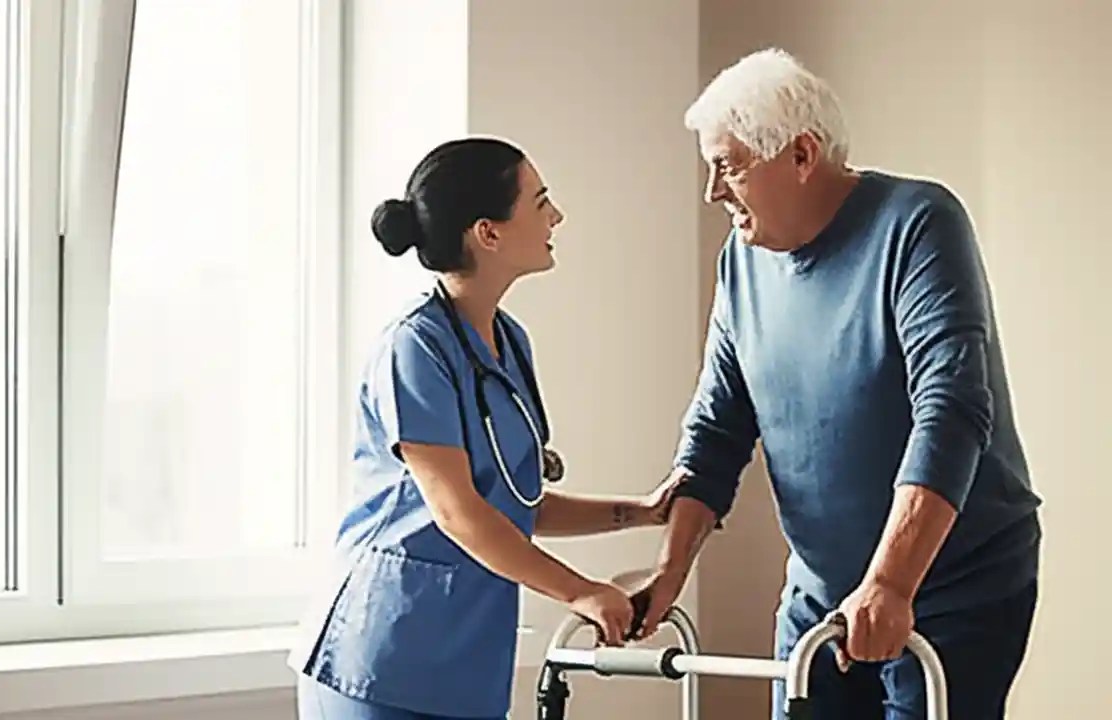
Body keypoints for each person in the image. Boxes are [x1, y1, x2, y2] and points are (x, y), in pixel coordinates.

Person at [630, 49, 1043, 719]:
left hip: (956, 583)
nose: (711, 192)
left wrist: (890, 583)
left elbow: (952, 410)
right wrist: (667, 578)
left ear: (801, 155)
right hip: (820, 589)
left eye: (728, 167)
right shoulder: (742, 261)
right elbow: (715, 430)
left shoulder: (918, 224)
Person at [287, 137, 681, 720]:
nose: (557, 216)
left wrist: (641, 510)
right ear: (487, 233)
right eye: (540, 201)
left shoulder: (510, 343)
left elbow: (516, 504)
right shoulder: (414, 347)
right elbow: (460, 514)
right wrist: (581, 590)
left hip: (463, 662)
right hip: (381, 657)